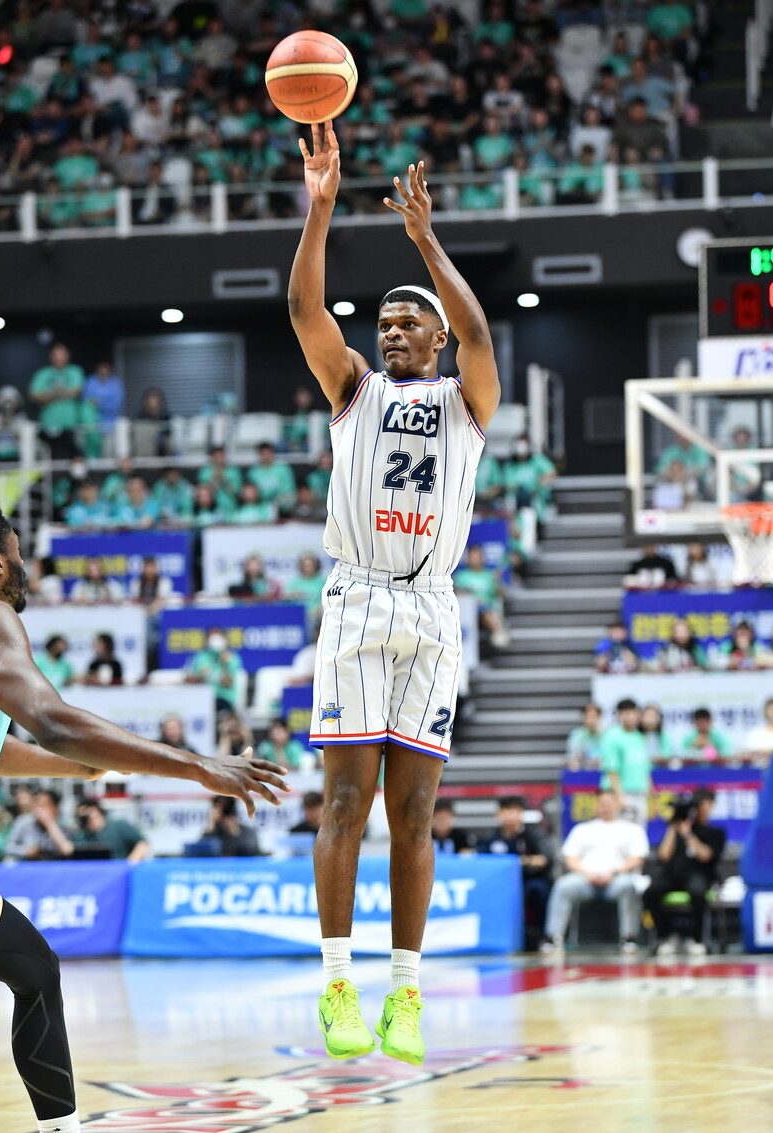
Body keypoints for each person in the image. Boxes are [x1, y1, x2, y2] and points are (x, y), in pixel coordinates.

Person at [0, 493, 289, 1133]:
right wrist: (200, 766)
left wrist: (74, 768)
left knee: (34, 969)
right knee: (35, 973)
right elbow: (55, 720)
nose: (24, 563)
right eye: (17, 551)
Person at [289, 125, 499, 1066]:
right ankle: (336, 981)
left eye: (407, 321)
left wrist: (424, 243)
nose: (390, 331)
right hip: (359, 601)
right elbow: (303, 310)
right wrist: (321, 206)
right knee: (345, 803)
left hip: (433, 611)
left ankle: (403, 996)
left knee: (413, 815)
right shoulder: (356, 393)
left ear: (437, 334)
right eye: (382, 325)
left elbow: (484, 332)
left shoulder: (467, 399)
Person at [540, 788, 649, 955]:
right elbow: (570, 858)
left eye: (608, 803)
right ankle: (553, 937)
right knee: (562, 885)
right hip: (586, 880)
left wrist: (613, 872)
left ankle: (629, 937)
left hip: (617, 879)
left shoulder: (632, 829)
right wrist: (587, 873)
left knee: (629, 887)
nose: (604, 807)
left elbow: (637, 859)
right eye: (601, 803)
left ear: (617, 804)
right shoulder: (582, 829)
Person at [643, 788, 725, 956]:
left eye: (704, 803)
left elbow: (706, 856)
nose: (700, 807)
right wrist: (674, 826)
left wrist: (688, 835)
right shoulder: (676, 828)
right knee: (650, 893)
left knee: (697, 892)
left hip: (698, 873)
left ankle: (697, 939)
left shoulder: (715, 832)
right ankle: (666, 936)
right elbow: (663, 856)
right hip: (672, 873)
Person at [481, 796, 552, 929]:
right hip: (500, 883)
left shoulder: (533, 835)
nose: (511, 816)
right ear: (499, 814)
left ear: (521, 814)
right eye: (507, 811)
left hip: (527, 880)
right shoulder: (491, 839)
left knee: (539, 888)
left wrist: (525, 861)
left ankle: (541, 933)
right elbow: (482, 861)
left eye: (515, 811)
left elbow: (545, 859)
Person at [28, 341, 84, 459]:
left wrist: (49, 395)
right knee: (52, 461)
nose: (60, 357)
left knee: (74, 458)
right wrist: (61, 393)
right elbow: (34, 396)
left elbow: (75, 392)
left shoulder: (75, 371)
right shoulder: (43, 374)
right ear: (51, 356)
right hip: (49, 426)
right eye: (57, 354)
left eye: (63, 354)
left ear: (68, 355)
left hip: (70, 425)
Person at [600, 699, 652, 826]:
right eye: (625, 713)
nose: (629, 716)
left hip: (640, 794)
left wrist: (650, 795)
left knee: (638, 835)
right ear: (618, 715)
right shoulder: (612, 736)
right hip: (621, 794)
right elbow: (612, 769)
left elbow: (644, 769)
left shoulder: (640, 737)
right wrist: (619, 796)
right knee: (620, 835)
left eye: (632, 712)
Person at [453, 542, 509, 648]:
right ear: (468, 558)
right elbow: (456, 593)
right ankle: (498, 631)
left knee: (486, 613)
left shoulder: (490, 575)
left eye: (477, 556)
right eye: (472, 557)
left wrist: (498, 582)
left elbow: (502, 594)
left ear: (483, 557)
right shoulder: (460, 576)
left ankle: (498, 631)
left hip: (487, 610)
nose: (475, 559)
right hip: (466, 610)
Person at [3, 789, 77, 862]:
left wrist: (50, 824)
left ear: (55, 808)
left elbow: (67, 850)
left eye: (44, 806)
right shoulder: (23, 822)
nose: (39, 810)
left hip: (55, 867)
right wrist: (26, 851)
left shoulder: (65, 824)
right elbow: (7, 847)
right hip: (27, 865)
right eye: (37, 806)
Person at [185, 626, 242, 713]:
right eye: (212, 638)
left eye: (218, 638)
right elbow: (190, 680)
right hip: (202, 697)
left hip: (223, 698)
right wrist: (201, 676)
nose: (215, 641)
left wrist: (224, 664)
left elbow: (228, 683)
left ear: (224, 639)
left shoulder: (232, 658)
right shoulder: (200, 657)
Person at [73, 798, 149, 861]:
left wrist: (129, 864)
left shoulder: (119, 826)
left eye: (85, 815)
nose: (83, 819)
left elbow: (142, 843)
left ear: (95, 810)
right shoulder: (82, 835)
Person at [82, 361, 125, 439]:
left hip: (110, 423)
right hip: (91, 423)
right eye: (101, 372)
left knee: (108, 447)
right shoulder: (90, 381)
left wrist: (100, 403)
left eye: (105, 372)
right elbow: (85, 399)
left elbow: (116, 403)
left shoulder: (115, 383)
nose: (103, 374)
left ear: (110, 372)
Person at [566, 703, 603, 769]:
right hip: (583, 774)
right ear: (583, 718)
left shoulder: (606, 736)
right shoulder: (576, 736)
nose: (591, 720)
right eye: (588, 717)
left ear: (599, 717)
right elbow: (571, 757)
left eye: (594, 716)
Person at [745, 697, 773, 764]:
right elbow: (750, 754)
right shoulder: (756, 733)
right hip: (760, 769)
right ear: (765, 711)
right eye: (771, 709)